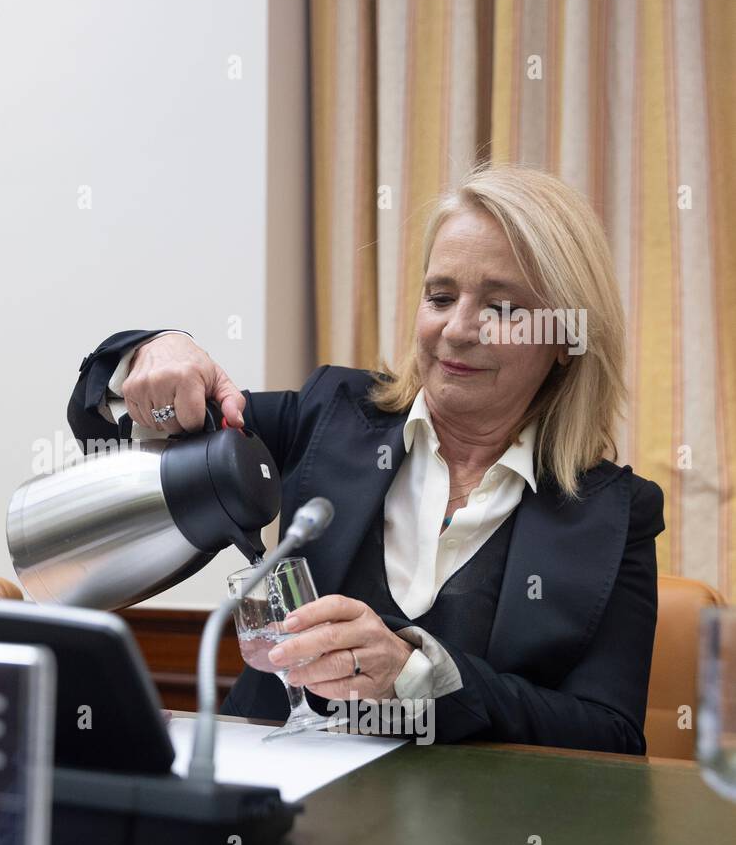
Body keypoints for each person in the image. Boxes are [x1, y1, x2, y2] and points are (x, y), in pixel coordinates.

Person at [66, 166, 664, 754]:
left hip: (475, 839)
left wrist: (417, 675)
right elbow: (120, 440)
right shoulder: (329, 414)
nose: (457, 330)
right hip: (276, 805)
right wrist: (153, 349)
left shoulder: (615, 514)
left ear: (565, 341)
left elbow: (609, 734)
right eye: (440, 297)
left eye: (503, 309)